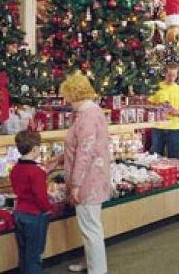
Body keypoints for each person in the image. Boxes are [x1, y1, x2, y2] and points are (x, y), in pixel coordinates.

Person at [59, 71, 111, 274]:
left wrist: (76, 185)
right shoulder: (91, 111)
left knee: (91, 228)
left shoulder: (87, 116)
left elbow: (84, 153)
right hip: (95, 177)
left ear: (74, 93)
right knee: (91, 226)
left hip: (89, 181)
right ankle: (91, 262)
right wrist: (57, 160)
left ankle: (97, 269)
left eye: (67, 94)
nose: (65, 99)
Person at [10, 130, 51, 274]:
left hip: (19, 213)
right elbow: (41, 197)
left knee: (23, 252)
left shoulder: (15, 169)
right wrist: (48, 209)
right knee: (34, 255)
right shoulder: (36, 172)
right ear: (34, 149)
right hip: (34, 216)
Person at [148, 63, 179, 158]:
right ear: (165, 74)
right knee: (156, 157)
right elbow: (149, 106)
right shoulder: (156, 87)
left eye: (174, 75)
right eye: (169, 75)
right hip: (157, 127)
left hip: (174, 129)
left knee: (174, 158)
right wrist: (159, 108)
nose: (171, 78)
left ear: (177, 75)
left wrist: (174, 111)